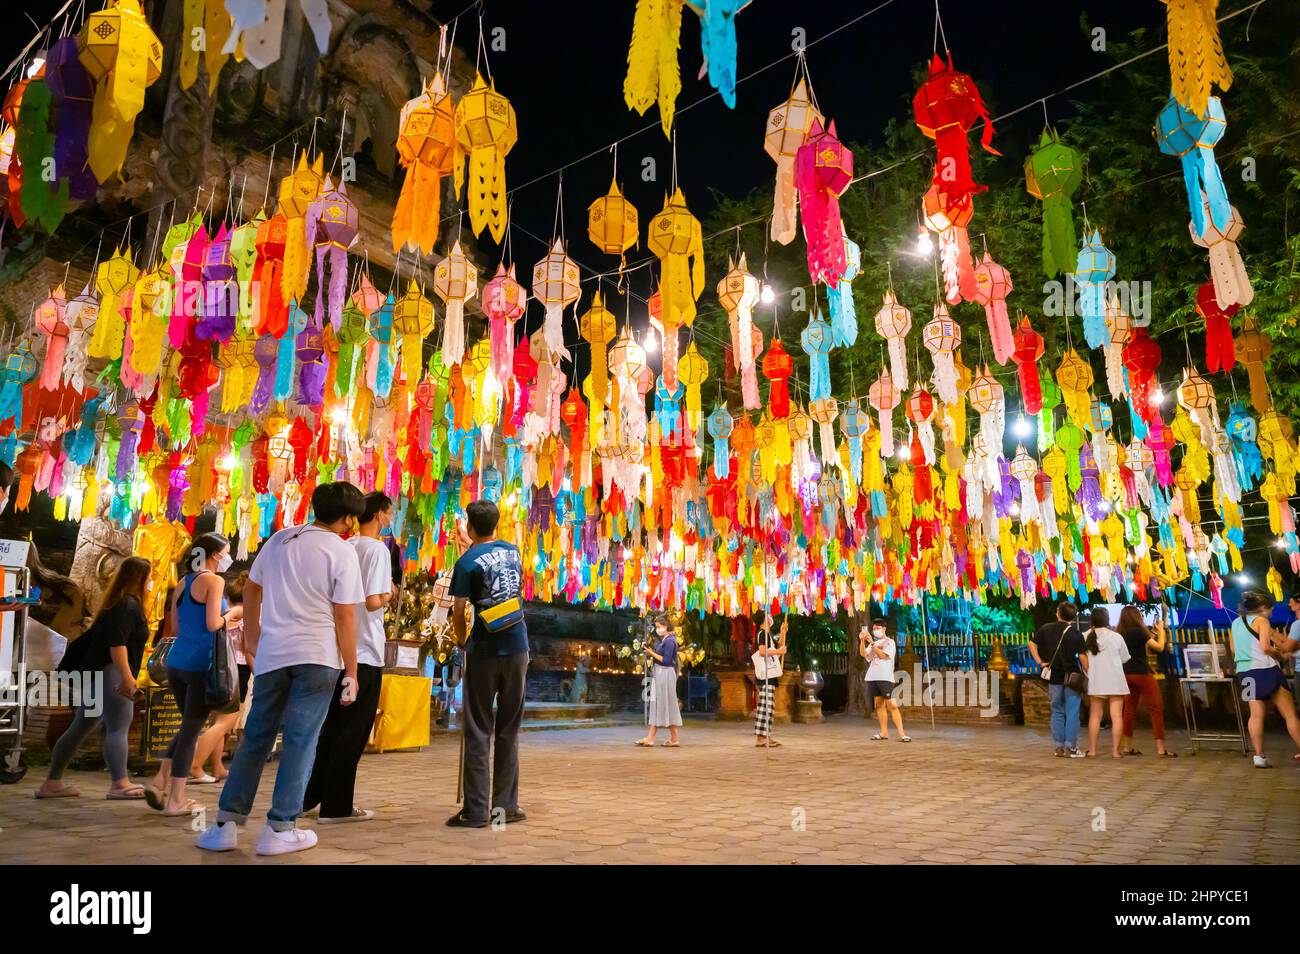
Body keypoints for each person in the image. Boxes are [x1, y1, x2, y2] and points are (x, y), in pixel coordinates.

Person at [196, 482, 366, 855]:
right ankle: (280, 828)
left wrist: (254, 638)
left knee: (255, 738)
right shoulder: (341, 551)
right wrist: (352, 668)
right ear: (349, 518)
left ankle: (225, 825)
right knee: (301, 741)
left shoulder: (280, 539)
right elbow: (345, 614)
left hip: (274, 656)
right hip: (318, 657)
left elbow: (251, 589)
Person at [303, 491, 393, 823]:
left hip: (336, 649)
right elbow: (372, 601)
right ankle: (337, 806)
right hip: (365, 650)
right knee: (353, 732)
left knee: (330, 730)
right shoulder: (378, 551)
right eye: (390, 512)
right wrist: (388, 593)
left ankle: (309, 795)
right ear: (381, 514)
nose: (390, 518)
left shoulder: (345, 545)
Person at [36, 557, 152, 800]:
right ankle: (120, 783)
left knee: (80, 727)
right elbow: (117, 645)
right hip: (112, 673)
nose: (151, 582)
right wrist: (128, 678)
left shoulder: (114, 604)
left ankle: (52, 782)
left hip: (98, 673)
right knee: (119, 724)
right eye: (149, 577)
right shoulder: (129, 605)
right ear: (140, 579)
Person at [447, 499, 529, 829]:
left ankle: (476, 810)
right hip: (518, 647)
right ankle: (506, 807)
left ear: (469, 526)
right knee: (508, 729)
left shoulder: (465, 563)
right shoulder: (513, 552)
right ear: (497, 523)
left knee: (478, 729)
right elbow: (493, 562)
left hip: (484, 650)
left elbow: (458, 610)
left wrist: (461, 639)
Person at [145, 533, 233, 816]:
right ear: (215, 555)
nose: (227, 559)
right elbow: (212, 623)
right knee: (192, 729)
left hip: (177, 662)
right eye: (226, 553)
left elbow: (177, 627)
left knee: (188, 727)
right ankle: (176, 799)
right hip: (201, 664)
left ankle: (160, 781)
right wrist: (233, 615)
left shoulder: (184, 583)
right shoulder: (214, 581)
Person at [190, 572, 250, 781]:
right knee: (225, 722)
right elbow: (248, 649)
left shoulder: (224, 612)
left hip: (216, 669)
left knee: (218, 719)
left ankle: (217, 767)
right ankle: (195, 764)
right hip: (237, 671)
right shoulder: (245, 615)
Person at [1229, 591, 1300, 768]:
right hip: (1265, 670)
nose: (1271, 613)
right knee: (1290, 714)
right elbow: (1266, 648)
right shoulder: (1262, 621)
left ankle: (1259, 757)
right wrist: (1280, 656)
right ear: (1262, 608)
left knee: (1255, 715)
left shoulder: (1235, 623)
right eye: (1270, 610)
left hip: (1244, 673)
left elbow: (1233, 649)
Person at [1029, 601, 1087, 758]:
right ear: (1073, 617)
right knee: (1072, 712)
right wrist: (1088, 672)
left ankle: (1059, 747)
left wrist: (1040, 662)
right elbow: (1083, 659)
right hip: (1072, 678)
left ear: (1058, 613)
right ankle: (1071, 747)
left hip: (1054, 677)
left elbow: (1032, 644)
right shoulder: (1076, 634)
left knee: (1057, 711)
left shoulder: (1045, 629)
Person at [1117, 605, 1174, 757]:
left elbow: (1144, 640)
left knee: (1129, 710)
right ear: (1137, 617)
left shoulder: (1120, 633)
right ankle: (1161, 749)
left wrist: (1154, 632)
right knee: (1155, 708)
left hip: (1126, 674)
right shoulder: (1138, 631)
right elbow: (1159, 647)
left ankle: (1127, 747)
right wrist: (1161, 631)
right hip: (1142, 674)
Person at [1080, 606, 1131, 759]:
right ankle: (1115, 752)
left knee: (1095, 716)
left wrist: (1089, 669)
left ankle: (1093, 750)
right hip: (1115, 680)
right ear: (1107, 620)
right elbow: (1124, 658)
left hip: (1097, 681)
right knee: (1116, 716)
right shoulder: (1116, 637)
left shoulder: (1085, 635)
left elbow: (1082, 657)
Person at [636, 614, 681, 747]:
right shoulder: (665, 640)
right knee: (662, 703)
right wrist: (648, 649)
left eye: (659, 627)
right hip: (661, 673)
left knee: (663, 703)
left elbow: (666, 661)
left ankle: (652, 738)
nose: (657, 629)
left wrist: (651, 653)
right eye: (656, 627)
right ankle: (672, 738)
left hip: (665, 673)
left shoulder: (670, 641)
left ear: (666, 626)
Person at [861, 619, 909, 742]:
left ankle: (902, 733)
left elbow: (883, 656)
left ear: (884, 628)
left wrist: (872, 643)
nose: (875, 630)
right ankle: (883, 733)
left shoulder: (890, 642)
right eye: (874, 628)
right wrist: (862, 640)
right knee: (879, 704)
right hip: (873, 676)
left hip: (886, 677)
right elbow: (864, 655)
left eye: (878, 628)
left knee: (891, 704)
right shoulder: (874, 643)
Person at [753, 612, 787, 747]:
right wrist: (779, 652)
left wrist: (782, 632)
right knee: (765, 707)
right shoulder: (763, 634)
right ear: (764, 619)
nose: (770, 617)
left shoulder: (767, 634)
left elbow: (778, 645)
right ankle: (761, 738)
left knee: (768, 706)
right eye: (768, 615)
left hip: (770, 675)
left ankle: (765, 736)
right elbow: (762, 651)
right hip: (766, 675)